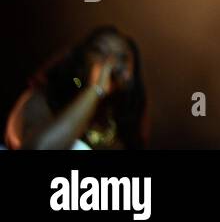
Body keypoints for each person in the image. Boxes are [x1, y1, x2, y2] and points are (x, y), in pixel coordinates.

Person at [5, 24, 148, 150]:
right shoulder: (46, 99)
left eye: (120, 58)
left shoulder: (126, 118)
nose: (110, 64)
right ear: (82, 59)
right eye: (100, 51)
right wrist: (95, 90)